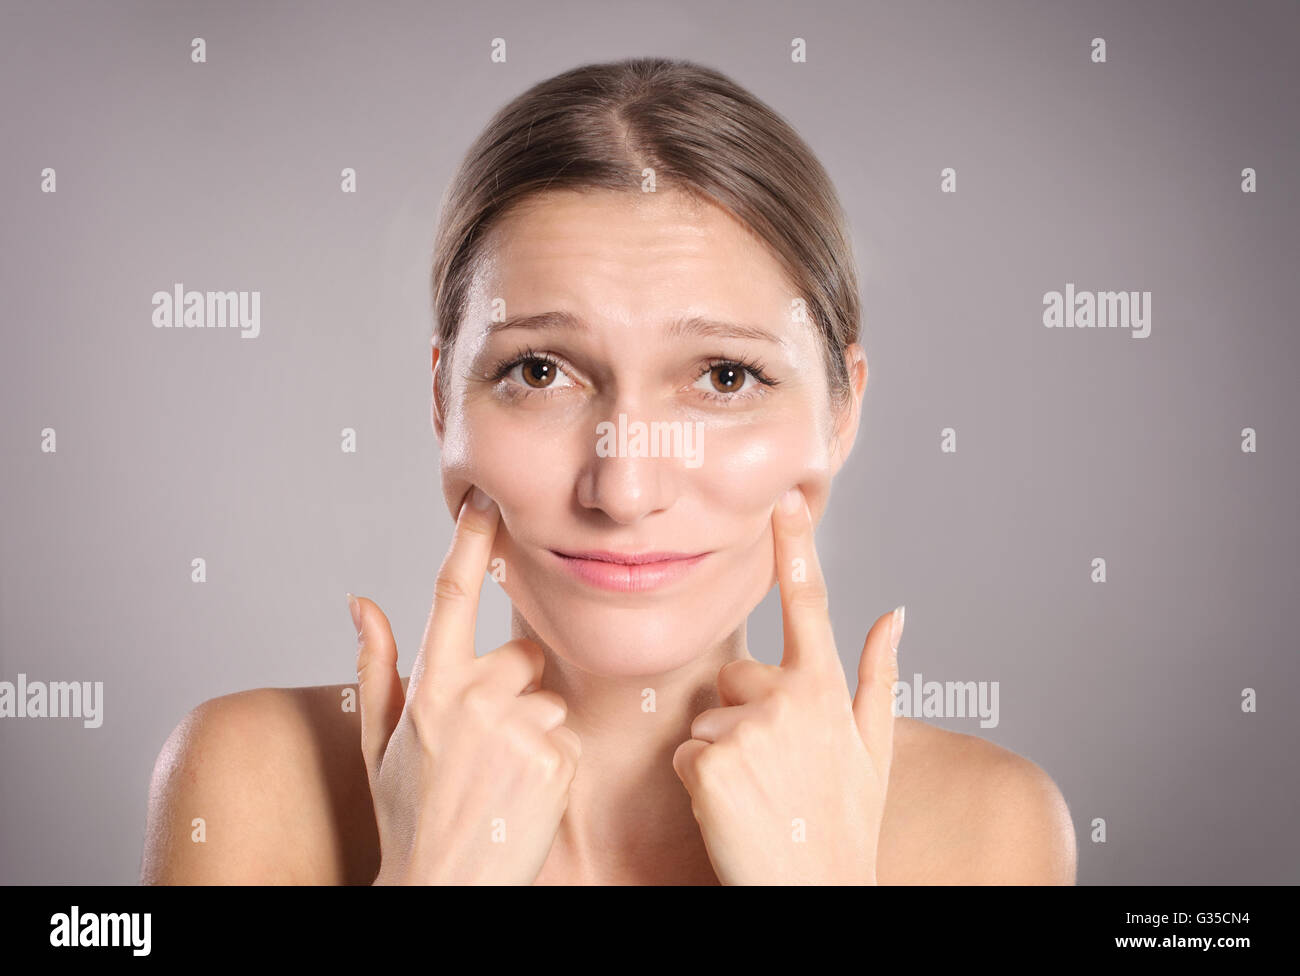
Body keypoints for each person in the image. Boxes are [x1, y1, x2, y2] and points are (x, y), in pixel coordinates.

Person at [141, 57, 1076, 885]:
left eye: (724, 376)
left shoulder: (985, 829)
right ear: (442, 399)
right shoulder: (251, 782)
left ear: (842, 410)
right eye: (539, 371)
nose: (626, 490)